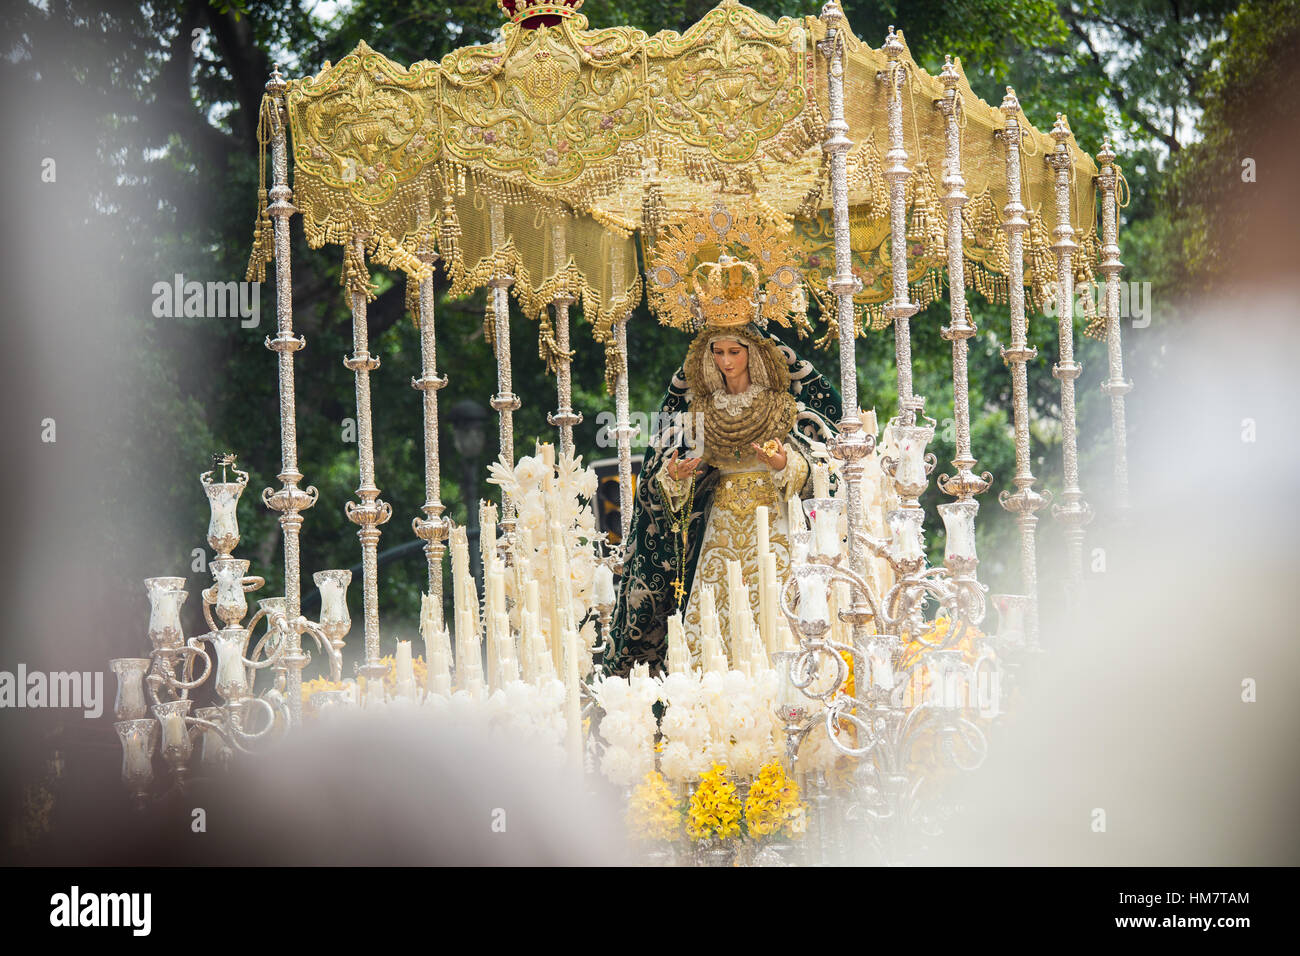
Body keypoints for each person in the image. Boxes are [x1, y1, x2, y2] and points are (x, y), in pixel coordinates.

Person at [607, 320, 841, 675]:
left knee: (778, 612)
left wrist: (782, 463)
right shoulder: (698, 414)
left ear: (754, 354)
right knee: (714, 615)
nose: (726, 362)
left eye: (734, 352)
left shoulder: (780, 406)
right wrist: (676, 477)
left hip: (774, 524)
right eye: (718, 353)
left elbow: (820, 467)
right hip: (719, 530)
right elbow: (664, 482)